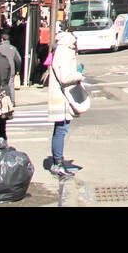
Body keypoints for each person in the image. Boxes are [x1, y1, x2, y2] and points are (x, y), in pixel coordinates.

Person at [46, 30, 85, 176]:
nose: (75, 47)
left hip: (60, 96)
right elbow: (65, 78)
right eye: (74, 44)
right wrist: (78, 74)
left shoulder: (60, 50)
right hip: (61, 97)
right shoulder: (64, 53)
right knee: (61, 130)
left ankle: (58, 161)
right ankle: (58, 163)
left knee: (60, 129)